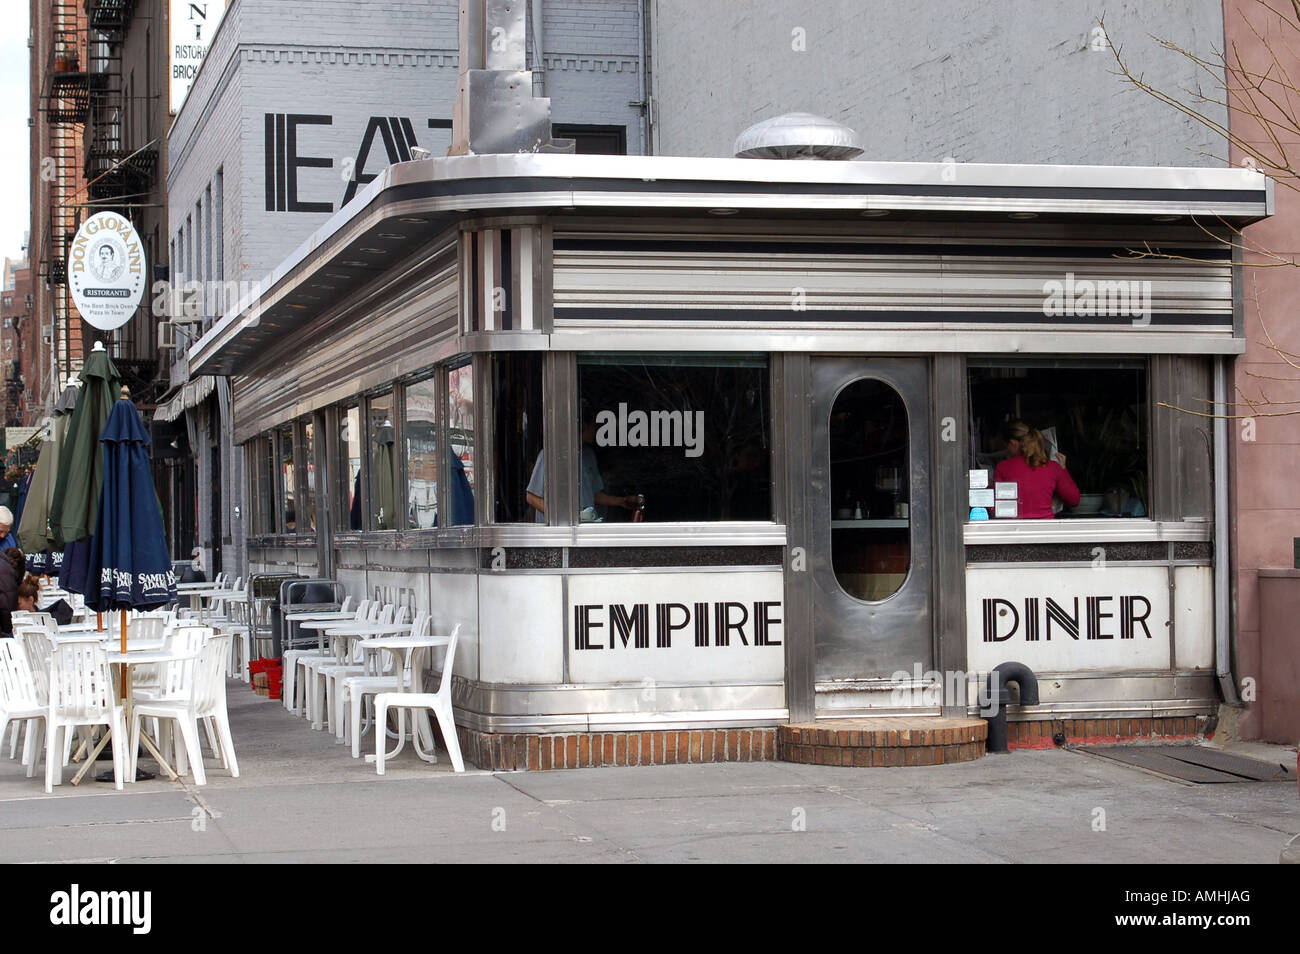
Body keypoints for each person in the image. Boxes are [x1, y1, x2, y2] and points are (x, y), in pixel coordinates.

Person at [526, 408, 640, 522]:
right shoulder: (550, 454)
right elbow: (531, 497)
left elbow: (595, 495)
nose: (596, 429)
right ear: (583, 426)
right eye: (594, 425)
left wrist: (621, 501)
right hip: (560, 531)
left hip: (587, 528)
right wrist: (565, 517)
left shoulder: (588, 454)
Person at [994, 419, 1081, 519]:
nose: (1007, 450)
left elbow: (996, 506)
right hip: (1045, 530)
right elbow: (1074, 500)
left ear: (1013, 443)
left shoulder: (1003, 467)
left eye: (1007, 446)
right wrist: (1063, 469)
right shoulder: (1053, 467)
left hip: (1014, 530)